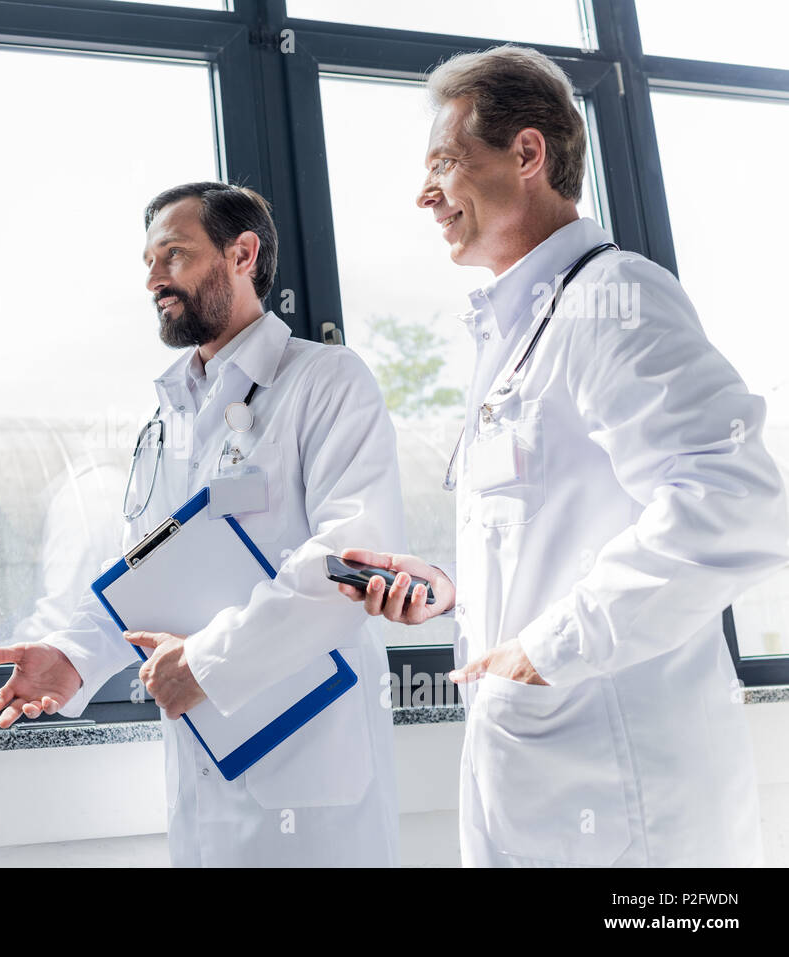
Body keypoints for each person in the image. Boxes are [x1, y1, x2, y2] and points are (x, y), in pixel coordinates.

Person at [337, 46, 789, 866]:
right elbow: (557, 545)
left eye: (444, 161)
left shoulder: (614, 300)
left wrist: (550, 648)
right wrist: (452, 595)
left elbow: (738, 501)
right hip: (536, 793)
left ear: (529, 153)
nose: (424, 193)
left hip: (628, 817)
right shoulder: (524, 333)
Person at [0, 182, 407, 867]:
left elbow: (351, 561)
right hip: (203, 769)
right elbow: (144, 581)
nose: (152, 278)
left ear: (242, 254)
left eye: (172, 255)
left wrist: (208, 663)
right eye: (148, 261)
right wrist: (71, 658)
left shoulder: (327, 381)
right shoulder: (165, 419)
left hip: (310, 767)